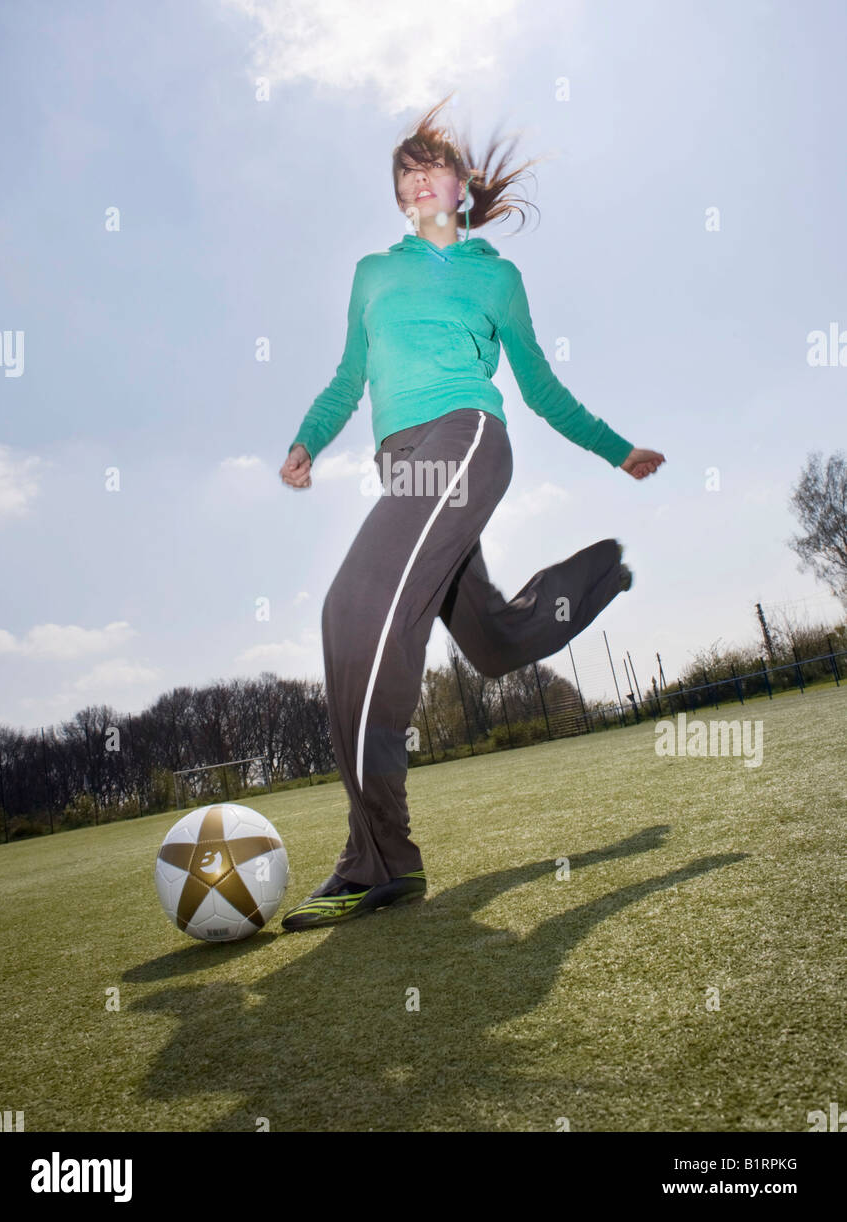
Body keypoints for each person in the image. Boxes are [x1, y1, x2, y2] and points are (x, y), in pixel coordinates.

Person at [278, 95, 665, 931]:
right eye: (405, 174)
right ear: (399, 198)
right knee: (489, 640)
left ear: (459, 186)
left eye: (432, 168)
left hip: (468, 437)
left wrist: (615, 448)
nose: (420, 181)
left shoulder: (497, 276)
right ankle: (599, 576)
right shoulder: (372, 274)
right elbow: (351, 376)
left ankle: (379, 858)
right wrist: (308, 440)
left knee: (356, 607)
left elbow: (540, 386)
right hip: (404, 466)